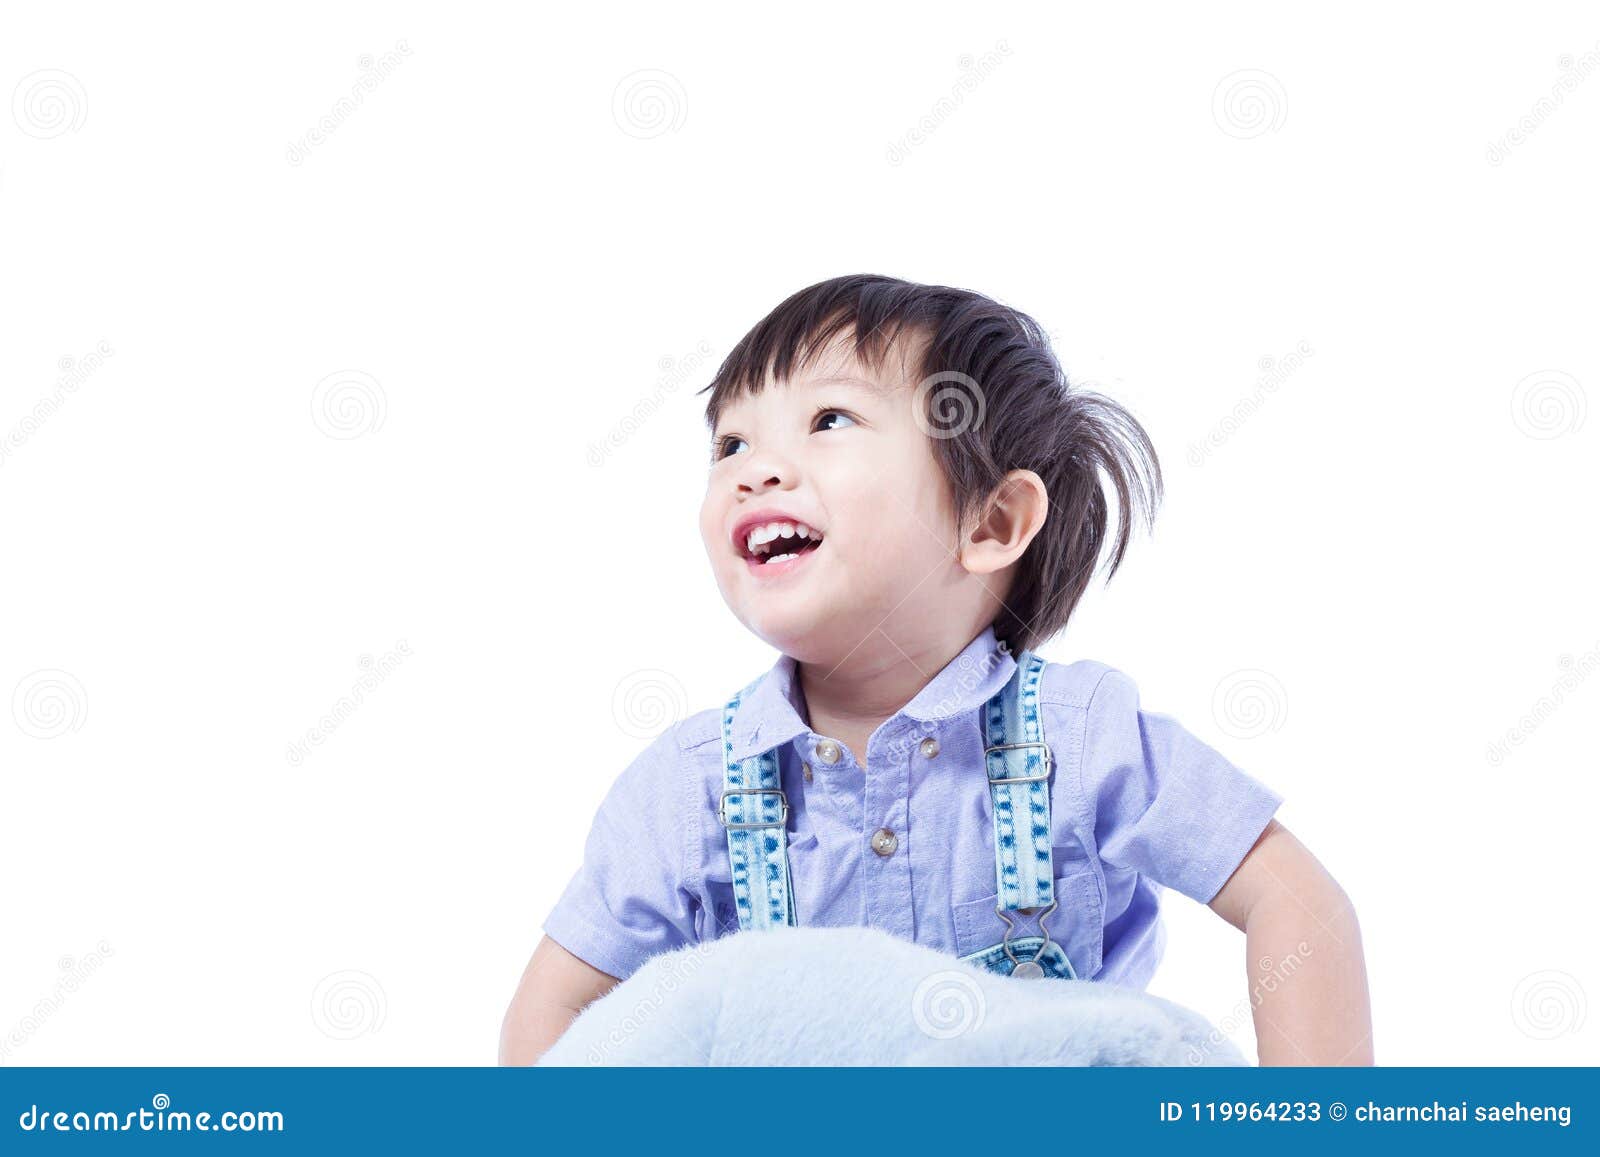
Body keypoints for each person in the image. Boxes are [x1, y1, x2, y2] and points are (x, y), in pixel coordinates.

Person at [499, 274, 1372, 1066]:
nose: (752, 470)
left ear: (991, 522)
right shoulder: (689, 790)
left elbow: (1298, 903)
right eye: (728, 443)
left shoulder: (1081, 737)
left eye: (829, 420)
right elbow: (559, 1003)